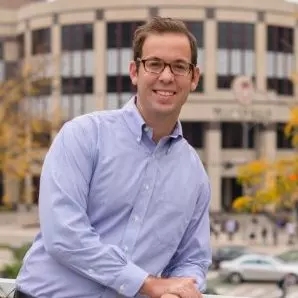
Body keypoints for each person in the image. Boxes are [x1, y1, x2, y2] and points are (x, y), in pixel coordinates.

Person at [14, 17, 211, 298]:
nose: (166, 76)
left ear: (194, 78)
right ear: (135, 72)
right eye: (154, 64)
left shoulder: (195, 175)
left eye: (179, 66)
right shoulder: (82, 135)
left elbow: (193, 258)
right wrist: (147, 283)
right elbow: (64, 235)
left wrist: (179, 288)